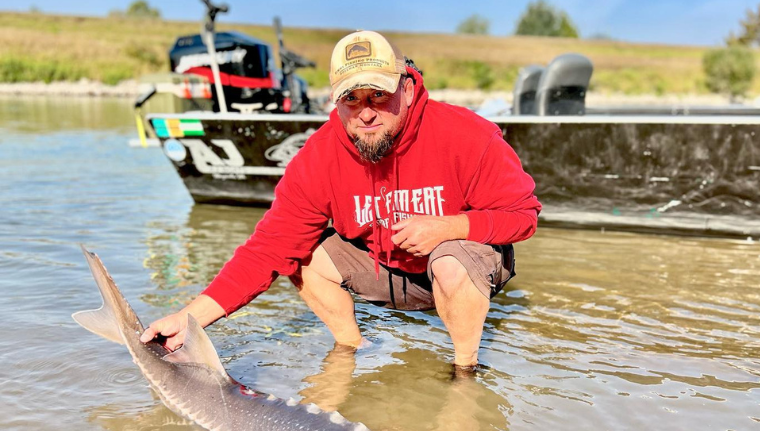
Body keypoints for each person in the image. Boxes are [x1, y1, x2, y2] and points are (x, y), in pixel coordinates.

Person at [141, 30, 541, 370]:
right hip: (386, 269)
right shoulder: (318, 156)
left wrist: (451, 227)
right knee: (303, 256)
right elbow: (267, 251)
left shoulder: (467, 135)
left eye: (378, 96)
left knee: (451, 261)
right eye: (352, 99)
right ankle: (353, 350)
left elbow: (524, 216)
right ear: (336, 99)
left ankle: (464, 371)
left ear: (406, 85)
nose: (365, 114)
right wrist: (188, 319)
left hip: (457, 266)